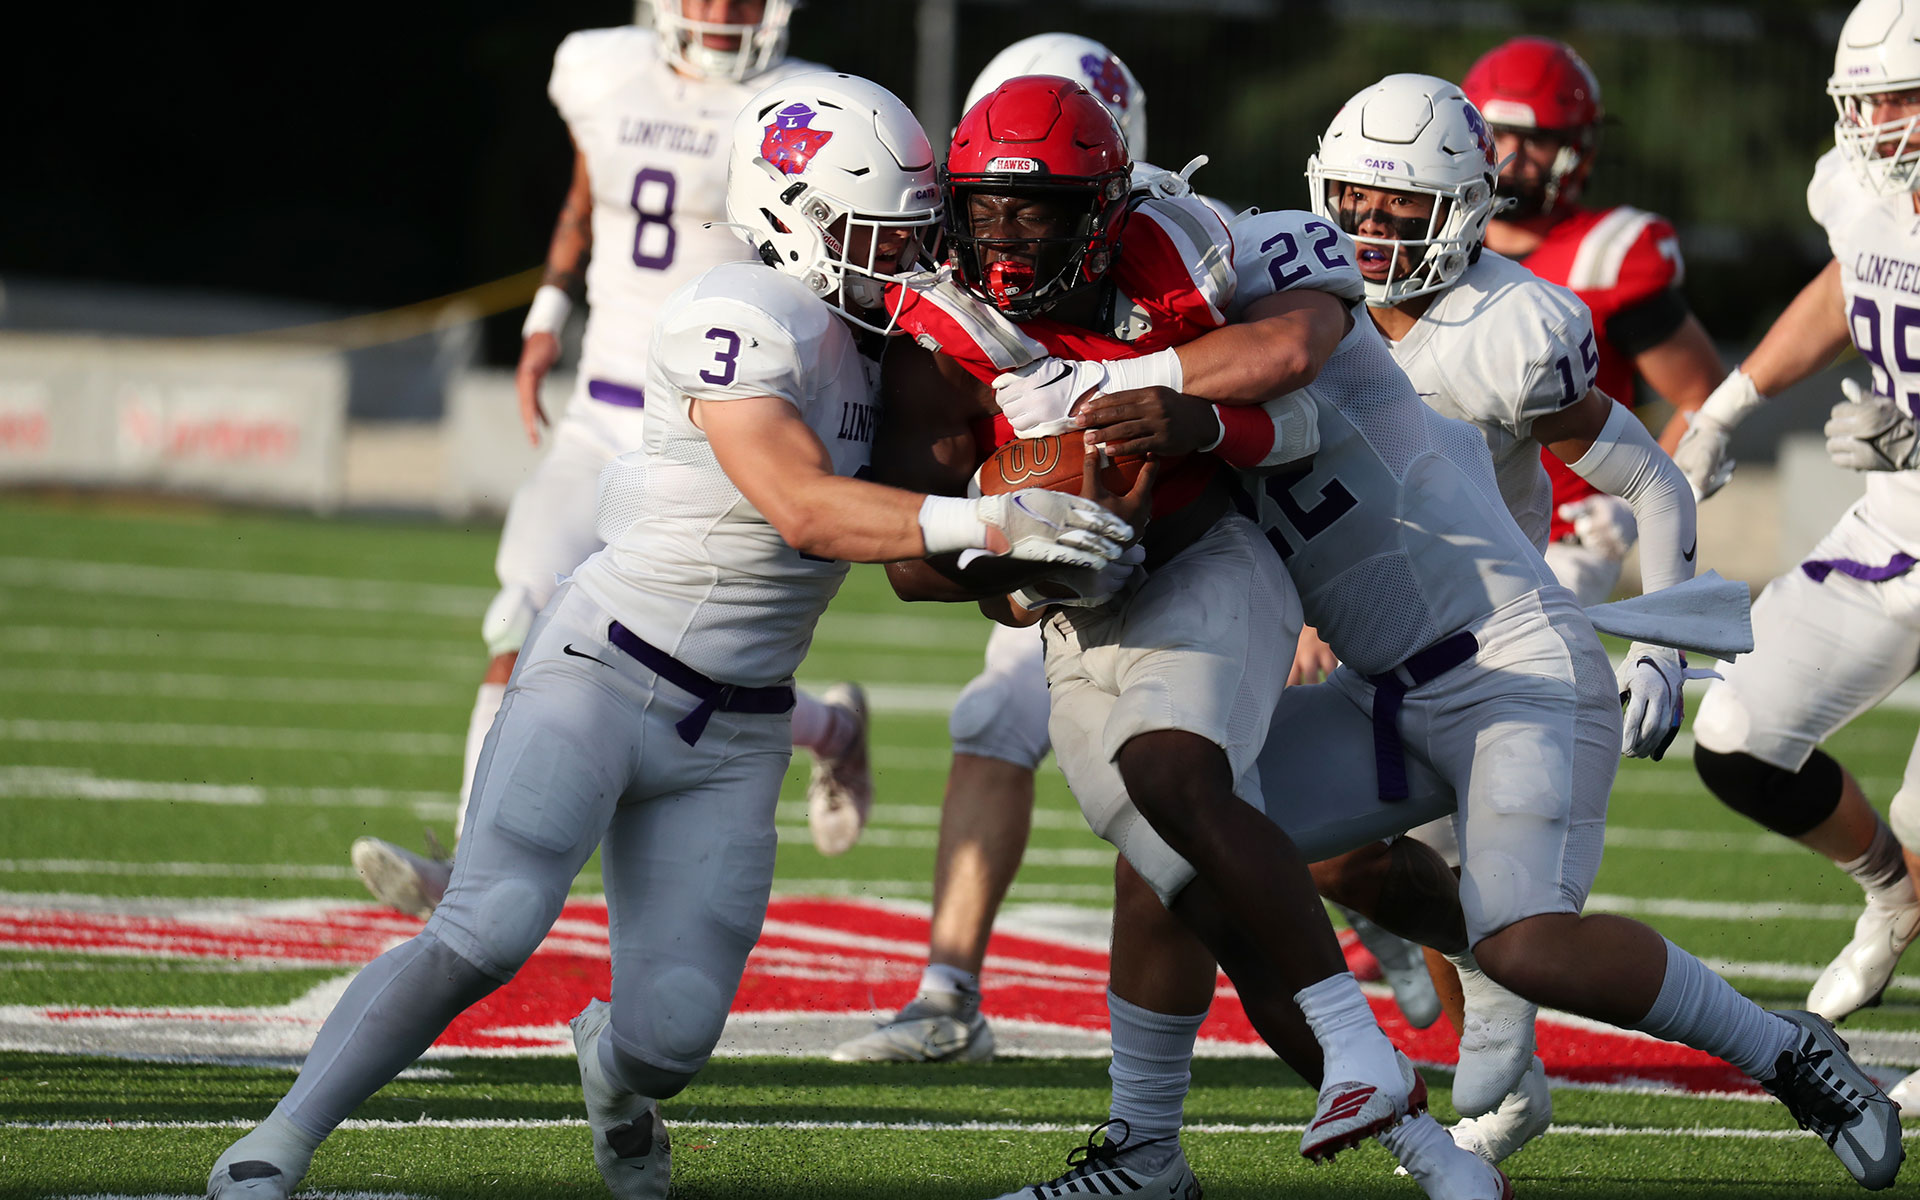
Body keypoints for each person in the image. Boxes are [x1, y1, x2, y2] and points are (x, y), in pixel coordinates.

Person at [204, 73, 1135, 1200]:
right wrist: (989, 514)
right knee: (487, 929)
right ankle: (278, 1142)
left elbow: (909, 563)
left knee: (671, 1041)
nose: (905, 258)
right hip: (601, 671)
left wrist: (1032, 563)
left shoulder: (900, 351)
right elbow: (800, 503)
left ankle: (613, 1071)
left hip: (737, 731)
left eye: (913, 231)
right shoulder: (737, 311)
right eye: (875, 233)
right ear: (794, 218)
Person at [989, 75, 1903, 1199]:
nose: (1368, 236)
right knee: (1176, 845)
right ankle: (1143, 1150)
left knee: (1530, 946)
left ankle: (1787, 1052)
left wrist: (1662, 644)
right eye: (1354, 206)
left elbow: (1278, 392)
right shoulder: (1182, 328)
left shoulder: (1302, 304)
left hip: (1512, 668)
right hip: (1393, 687)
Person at [877, 74, 1509, 1199]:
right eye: (983, 207)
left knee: (1172, 772)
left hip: (1208, 566)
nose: (1006, 237)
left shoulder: (1184, 250)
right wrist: (1016, 551)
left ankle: (1366, 1046)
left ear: (1106, 207)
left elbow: (1303, 370)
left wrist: (1154, 399)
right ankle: (1210, 1152)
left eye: (1040, 210)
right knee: (1190, 887)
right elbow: (915, 568)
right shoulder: (934, 330)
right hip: (1078, 620)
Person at [350, 1, 877, 923]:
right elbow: (593, 187)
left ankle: (832, 729)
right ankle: (473, 871)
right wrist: (549, 310)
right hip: (599, 412)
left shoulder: (799, 105)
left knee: (677, 668)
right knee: (520, 615)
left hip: (715, 428)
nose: (723, 12)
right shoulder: (603, 68)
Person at [1669, 0, 1920, 1114]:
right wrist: (1730, 402)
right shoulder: (1858, 180)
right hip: (1897, 526)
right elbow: (1850, 274)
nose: (1877, 123)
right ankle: (1890, 894)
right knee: (1735, 732)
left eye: (1899, 97)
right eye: (1862, 99)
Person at [1463, 36, 1724, 607]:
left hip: (1561, 540)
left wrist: (1636, 504)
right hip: (1439, 521)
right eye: (1497, 133)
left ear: (1575, 147)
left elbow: (1703, 395)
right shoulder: (1423, 245)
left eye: (1535, 140)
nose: (1510, 155)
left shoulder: (1609, 254)